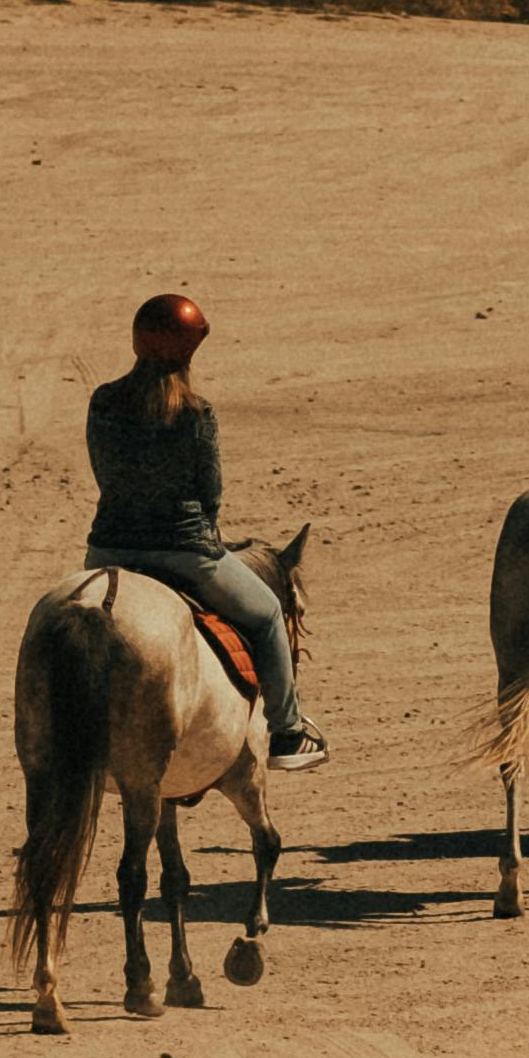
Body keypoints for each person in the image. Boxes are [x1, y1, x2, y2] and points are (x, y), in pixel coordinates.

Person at [82, 291, 326, 764]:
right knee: (268, 616)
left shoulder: (104, 400)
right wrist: (204, 532)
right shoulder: (196, 413)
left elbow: (103, 472)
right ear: (190, 351)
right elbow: (210, 492)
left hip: (107, 551)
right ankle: (288, 732)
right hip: (185, 551)